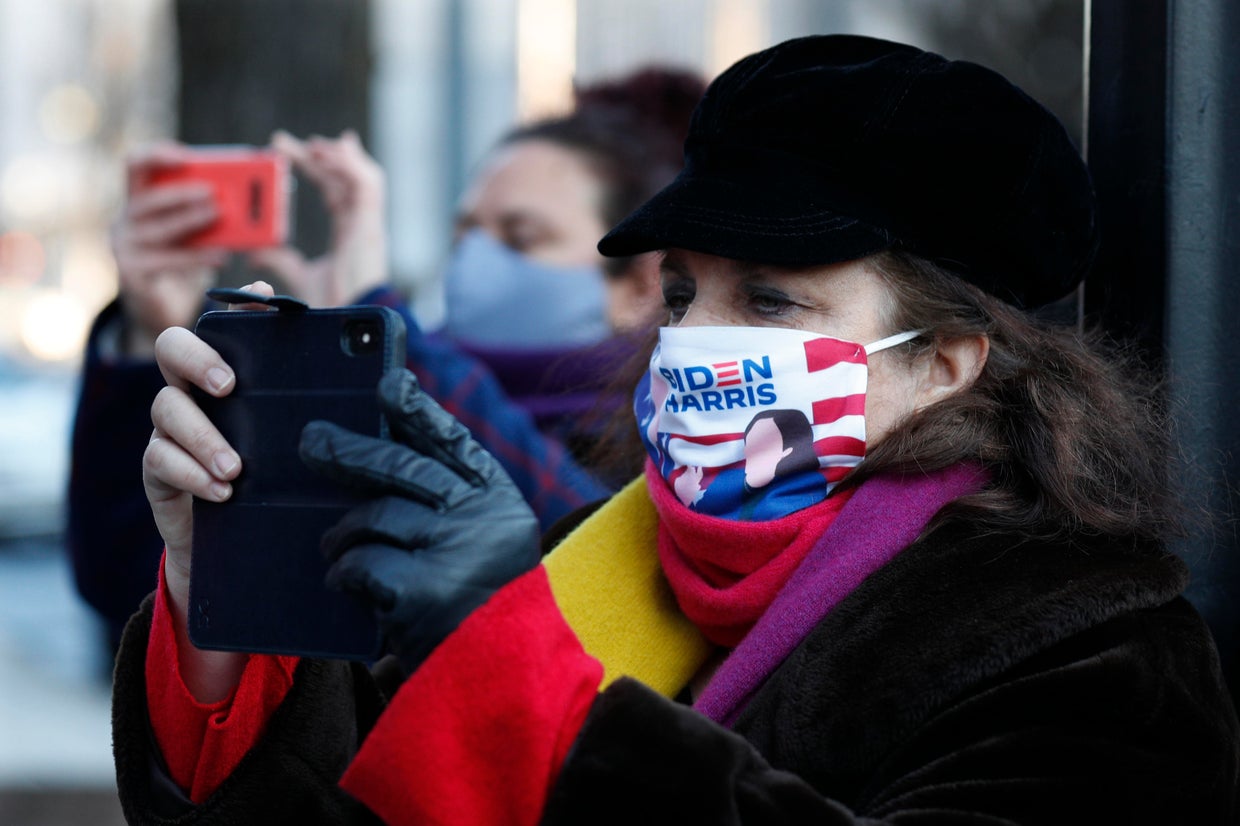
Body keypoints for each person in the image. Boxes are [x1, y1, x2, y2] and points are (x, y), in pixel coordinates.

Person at [111, 34, 1239, 824]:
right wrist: (225, 593)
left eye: (773, 299)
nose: (694, 338)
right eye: (685, 292)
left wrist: (523, 672)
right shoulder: (589, 558)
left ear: (944, 363)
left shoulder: (1098, 648)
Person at [68, 68, 706, 651]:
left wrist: (381, 330)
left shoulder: (670, 437)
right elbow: (134, 588)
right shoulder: (415, 374)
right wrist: (146, 339)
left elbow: (577, 538)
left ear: (640, 282)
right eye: (465, 233)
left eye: (521, 237)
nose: (475, 260)